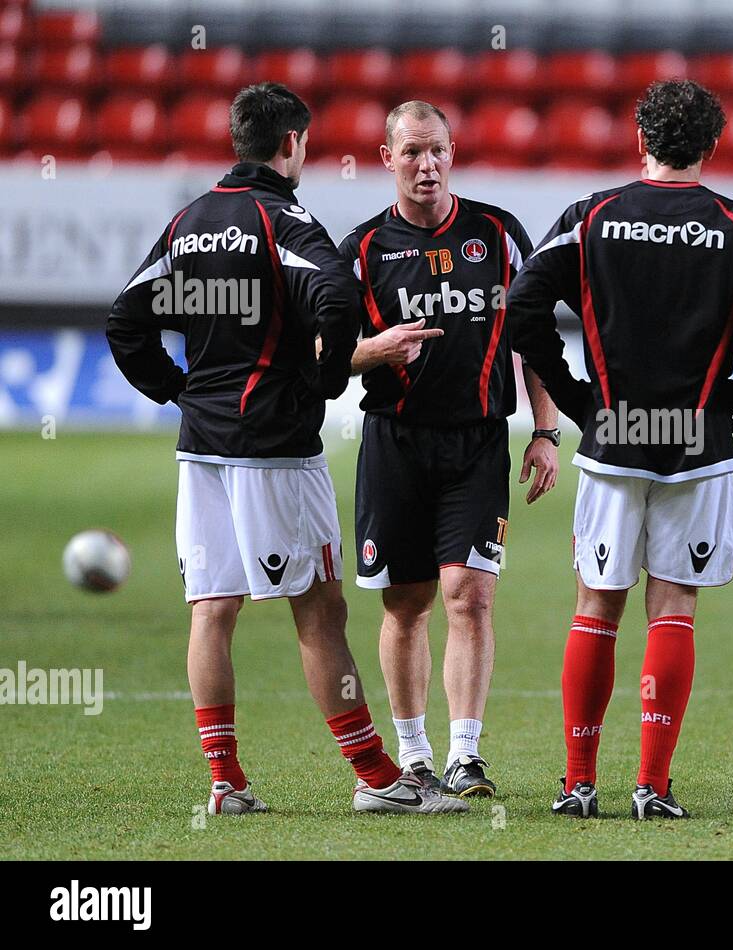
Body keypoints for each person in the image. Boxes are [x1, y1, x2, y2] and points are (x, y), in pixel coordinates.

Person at [106, 82, 465, 816]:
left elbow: (124, 320)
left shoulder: (190, 221)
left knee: (212, 610)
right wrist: (323, 380)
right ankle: (378, 779)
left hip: (202, 447)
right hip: (273, 446)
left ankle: (227, 783)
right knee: (320, 611)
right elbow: (334, 300)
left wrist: (178, 392)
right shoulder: (285, 219)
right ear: (293, 144)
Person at [505, 79, 733, 819]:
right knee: (672, 605)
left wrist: (580, 400)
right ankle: (652, 786)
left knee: (595, 606)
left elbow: (520, 304)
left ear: (640, 140)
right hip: (699, 443)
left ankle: (579, 784)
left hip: (614, 441)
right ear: (711, 147)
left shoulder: (592, 217)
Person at [337, 100, 558, 798]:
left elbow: (535, 339)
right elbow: (323, 354)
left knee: (470, 595)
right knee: (406, 603)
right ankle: (413, 757)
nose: (425, 165)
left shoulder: (498, 234)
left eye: (436, 151)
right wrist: (376, 348)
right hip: (394, 443)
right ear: (387, 159)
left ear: (452, 152)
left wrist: (547, 430)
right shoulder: (363, 249)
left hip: (478, 442)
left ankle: (466, 756)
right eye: (411, 153)